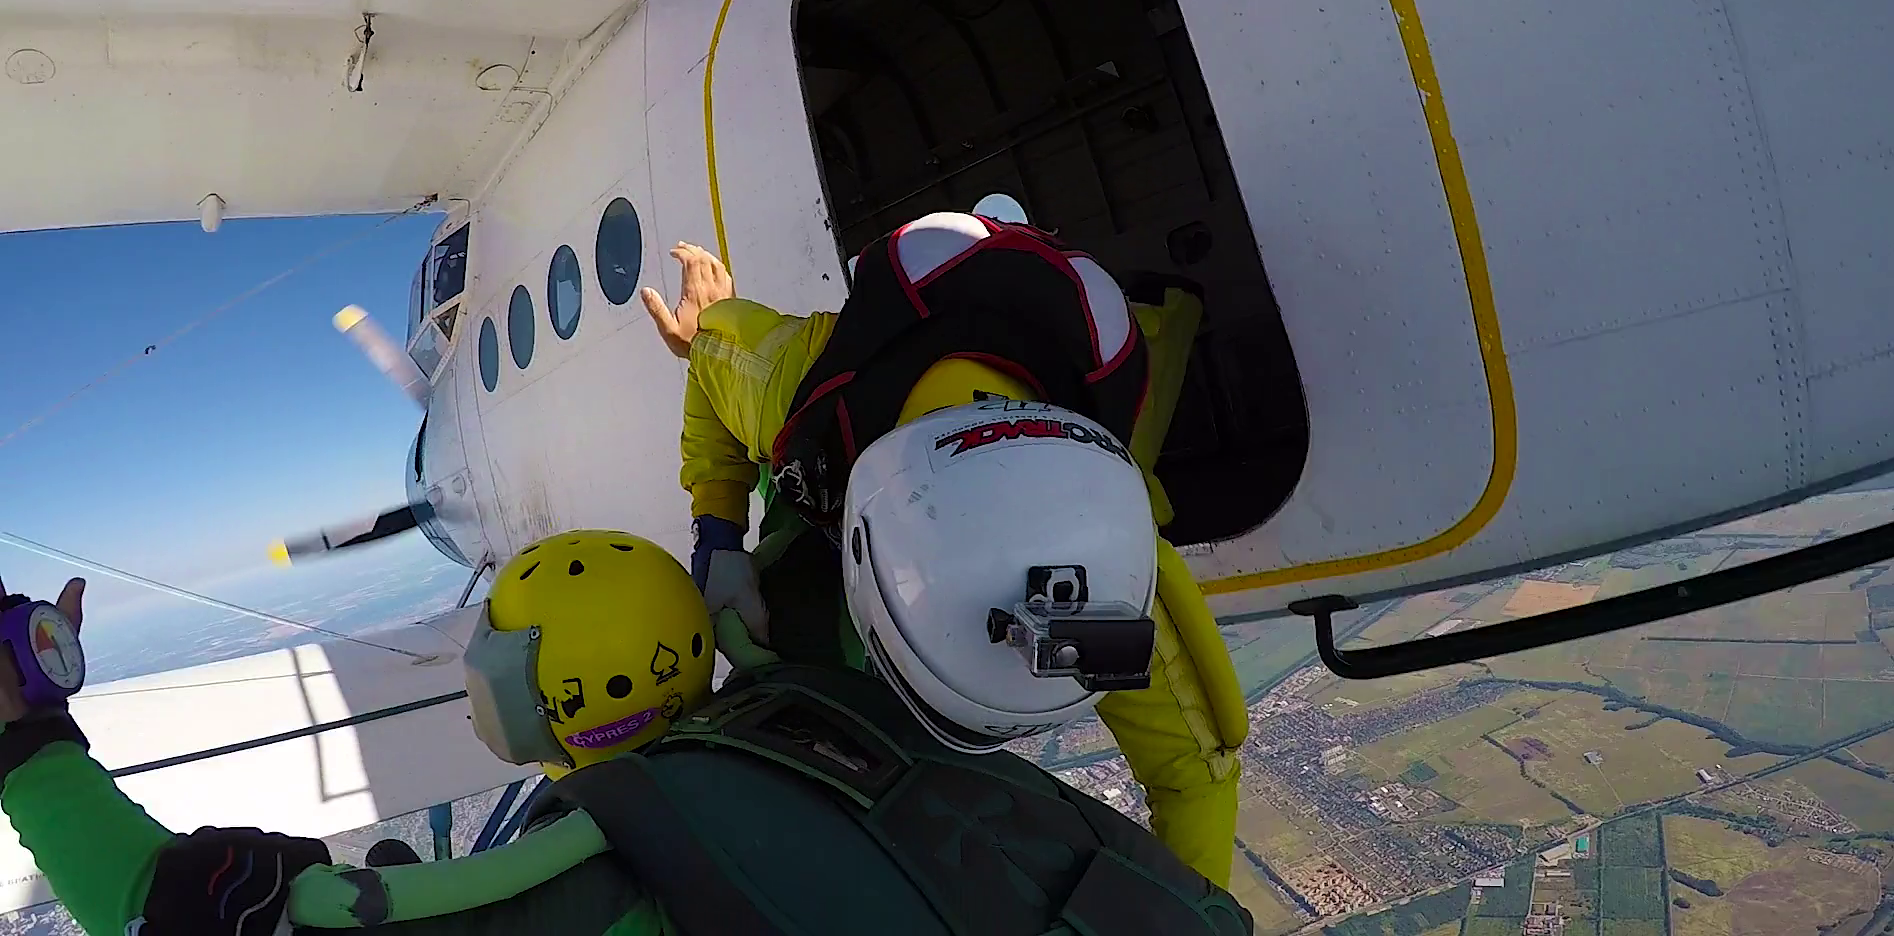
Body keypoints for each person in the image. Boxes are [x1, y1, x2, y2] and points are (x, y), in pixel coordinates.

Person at [0, 521, 1254, 935]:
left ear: (564, 692)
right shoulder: (813, 699)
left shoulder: (604, 873)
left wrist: (26, 736)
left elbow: (158, 906)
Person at [640, 212, 1248, 886]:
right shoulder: (802, 386)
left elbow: (1198, 773)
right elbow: (710, 354)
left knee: (1146, 406)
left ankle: (1163, 313)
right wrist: (717, 529)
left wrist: (720, 526)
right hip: (1031, 344)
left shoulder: (1112, 578)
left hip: (1080, 358)